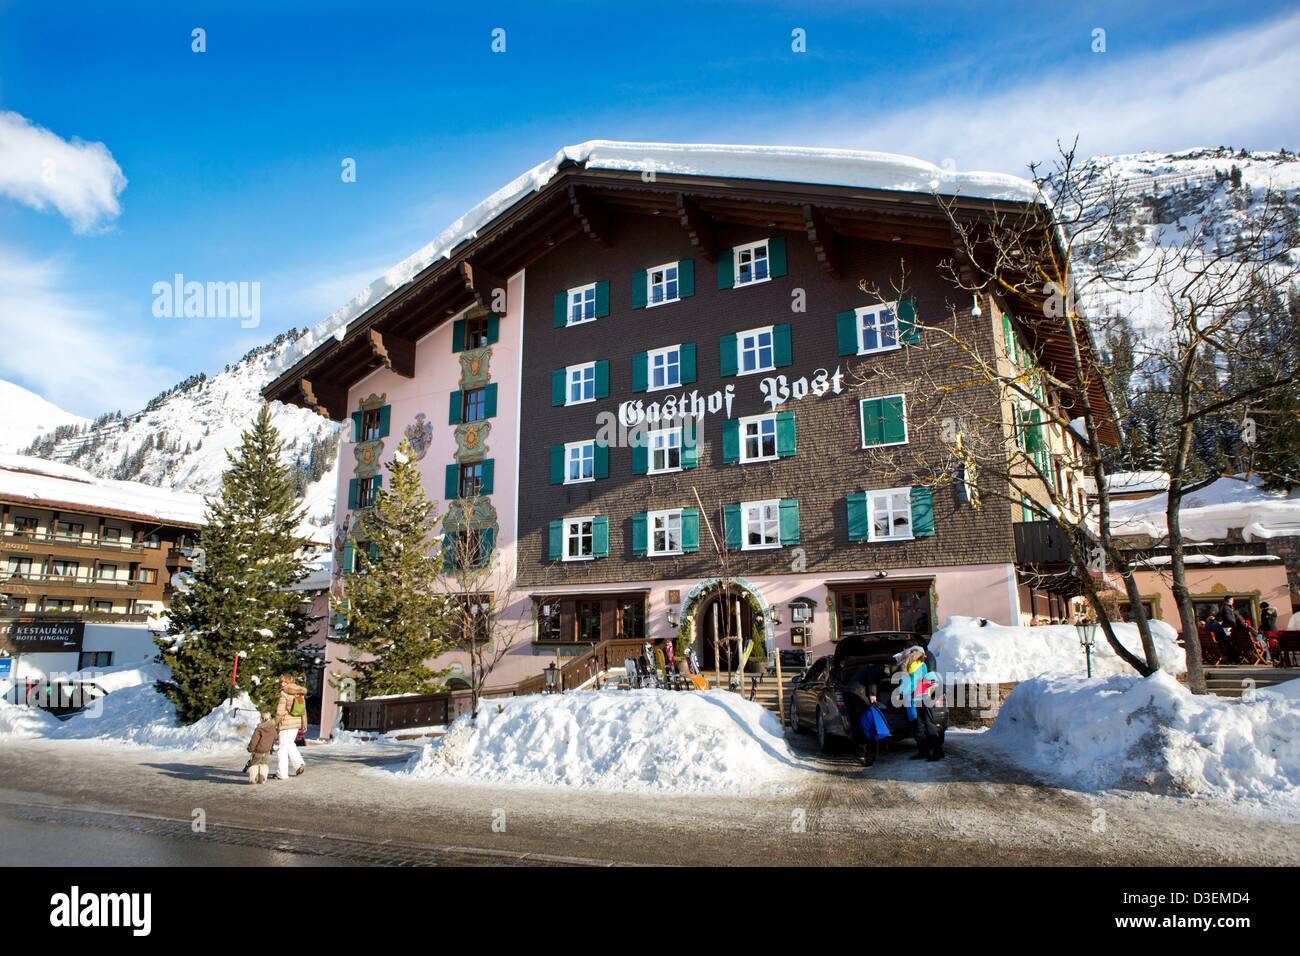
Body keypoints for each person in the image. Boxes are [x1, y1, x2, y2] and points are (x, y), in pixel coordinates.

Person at [896, 645, 944, 762]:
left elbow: (911, 683)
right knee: (920, 725)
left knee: (926, 725)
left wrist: (900, 693)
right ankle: (925, 751)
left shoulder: (914, 665)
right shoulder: (915, 664)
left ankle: (937, 752)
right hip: (919, 698)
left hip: (920, 698)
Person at [844, 660, 886, 766]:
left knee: (856, 724)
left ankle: (859, 753)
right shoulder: (877, 667)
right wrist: (872, 694)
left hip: (849, 693)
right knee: (864, 724)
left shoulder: (865, 668)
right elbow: (872, 680)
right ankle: (862, 755)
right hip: (858, 695)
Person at [274, 673, 308, 780]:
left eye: (284, 681)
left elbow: (280, 712)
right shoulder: (299, 692)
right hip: (296, 724)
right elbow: (303, 710)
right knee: (290, 744)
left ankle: (282, 773)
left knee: (282, 749)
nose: (282, 683)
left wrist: (275, 724)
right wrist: (304, 722)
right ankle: (299, 764)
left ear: (289, 682)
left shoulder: (284, 693)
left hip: (286, 724)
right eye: (281, 681)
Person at [245, 711, 277, 785]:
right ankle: (262, 778)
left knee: (255, 764)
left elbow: (254, 741)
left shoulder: (259, 729)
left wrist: (250, 748)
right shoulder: (272, 729)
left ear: (261, 719)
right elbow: (276, 737)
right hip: (266, 751)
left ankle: (254, 778)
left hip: (258, 751)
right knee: (263, 764)